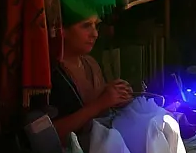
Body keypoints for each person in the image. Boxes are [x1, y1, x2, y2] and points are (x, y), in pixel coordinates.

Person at [51, 9, 134, 140]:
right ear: (62, 30)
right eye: (86, 26)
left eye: (96, 25)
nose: (95, 34)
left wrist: (115, 97)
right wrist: (101, 103)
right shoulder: (52, 73)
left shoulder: (90, 63)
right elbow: (50, 135)